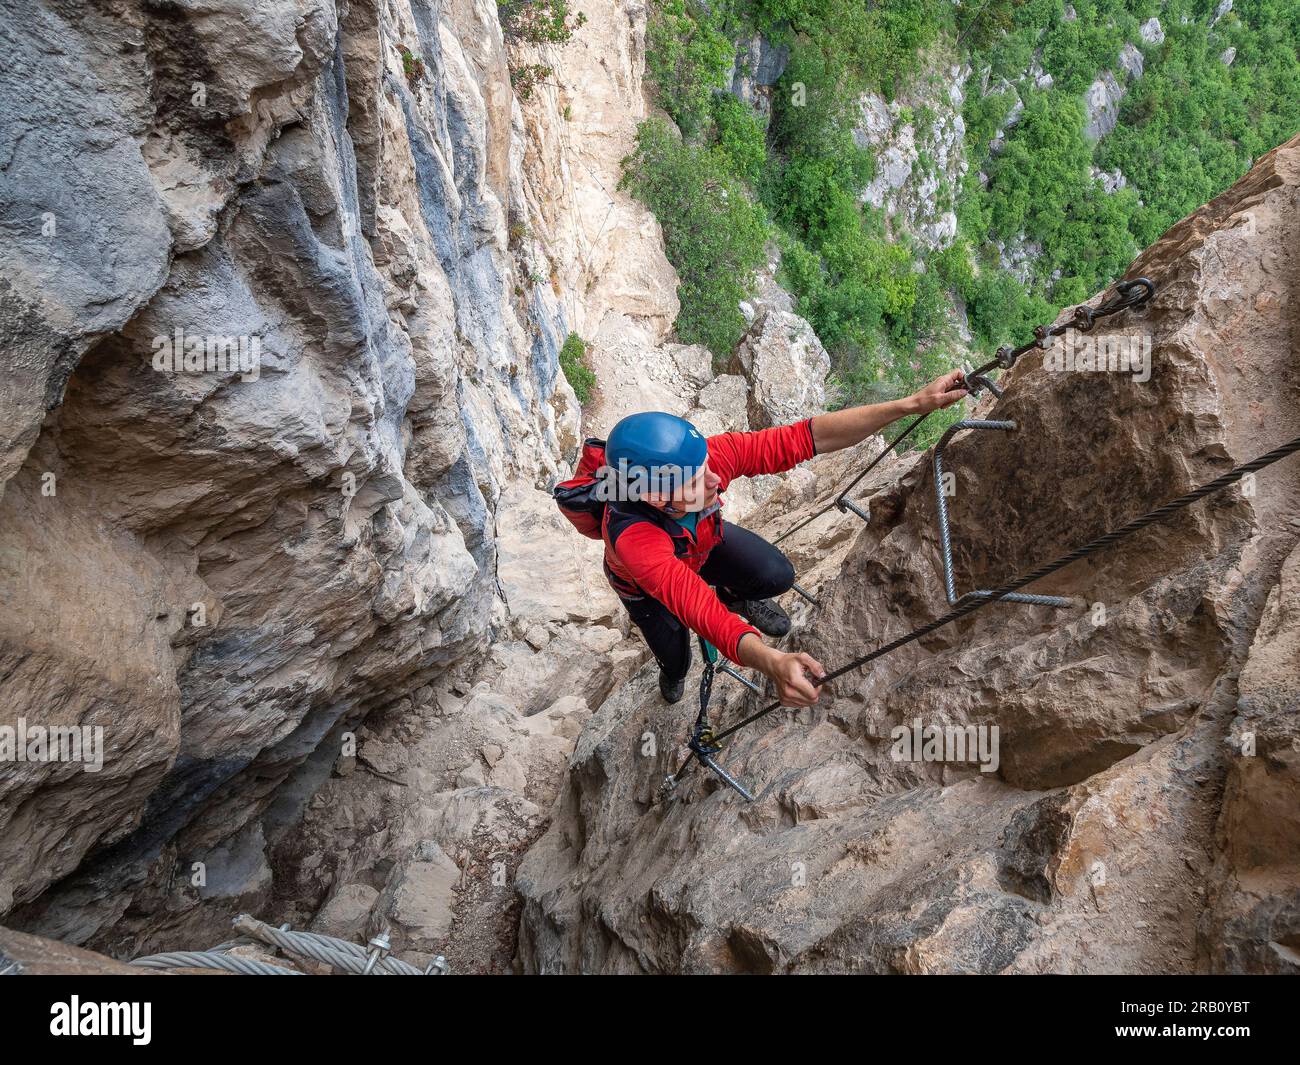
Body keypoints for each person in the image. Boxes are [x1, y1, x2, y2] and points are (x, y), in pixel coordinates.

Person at [601, 369, 970, 707]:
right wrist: (773, 662)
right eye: (696, 481)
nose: (714, 480)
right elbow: (697, 607)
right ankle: (673, 670)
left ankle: (735, 596)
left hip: (702, 544)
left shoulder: (703, 461)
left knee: (777, 574)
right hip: (647, 586)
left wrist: (910, 404)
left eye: (705, 468)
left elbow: (808, 437)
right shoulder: (635, 541)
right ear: (654, 497)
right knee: (676, 654)